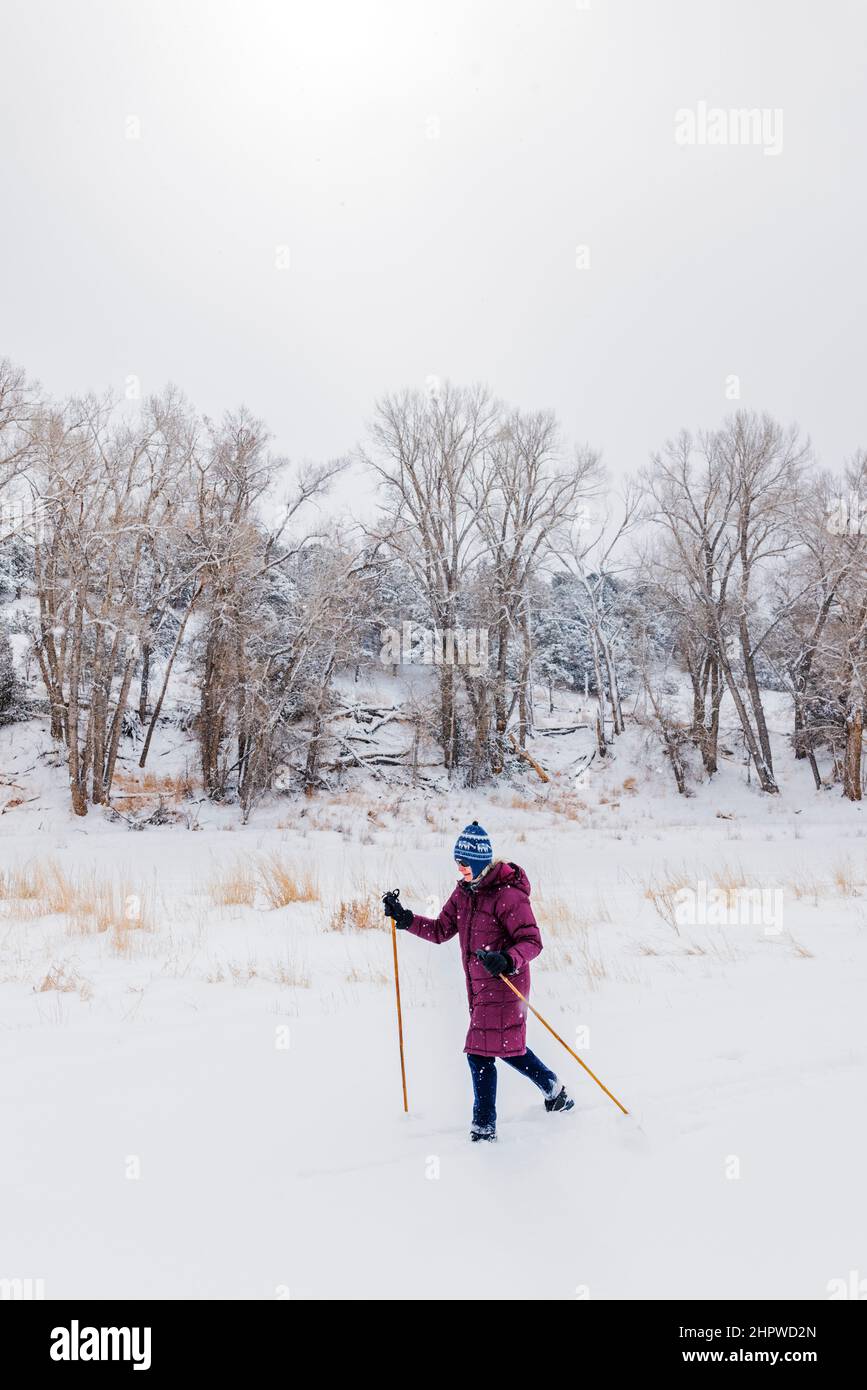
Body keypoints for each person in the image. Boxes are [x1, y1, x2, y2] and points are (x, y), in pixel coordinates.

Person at [383, 820, 574, 1142]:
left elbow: (531, 942)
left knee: (479, 1052)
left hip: (506, 981)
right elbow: (441, 931)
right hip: (479, 985)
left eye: (466, 864)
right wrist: (406, 918)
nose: (460, 869)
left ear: (483, 862)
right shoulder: (464, 893)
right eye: (458, 863)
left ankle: (484, 1127)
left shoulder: (509, 896)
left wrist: (507, 959)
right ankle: (554, 1090)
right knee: (505, 1047)